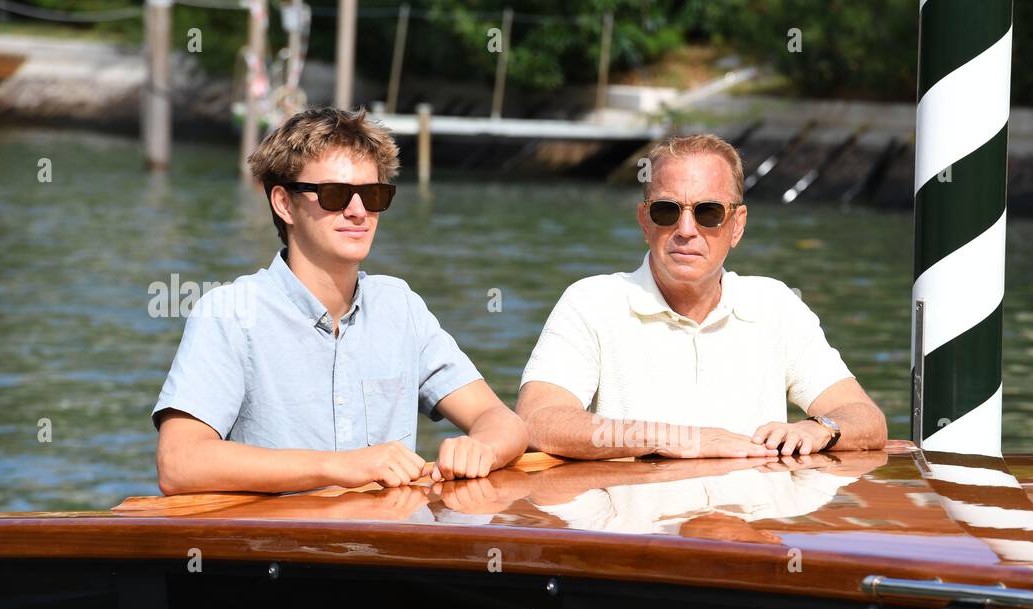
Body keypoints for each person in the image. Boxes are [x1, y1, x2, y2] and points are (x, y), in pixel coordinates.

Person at [153, 107, 526, 495]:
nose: (358, 211)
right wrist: (339, 467)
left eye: (373, 195)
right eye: (335, 194)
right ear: (283, 203)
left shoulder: (401, 307)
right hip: (277, 552)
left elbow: (500, 419)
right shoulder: (230, 312)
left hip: (390, 550)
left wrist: (480, 448)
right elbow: (179, 463)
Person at [516, 133, 887, 460]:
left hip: (747, 533)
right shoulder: (592, 302)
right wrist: (677, 440)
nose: (686, 230)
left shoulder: (776, 304)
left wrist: (819, 429)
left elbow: (865, 417)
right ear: (645, 222)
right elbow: (537, 422)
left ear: (737, 225)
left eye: (708, 212)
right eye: (667, 211)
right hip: (638, 534)